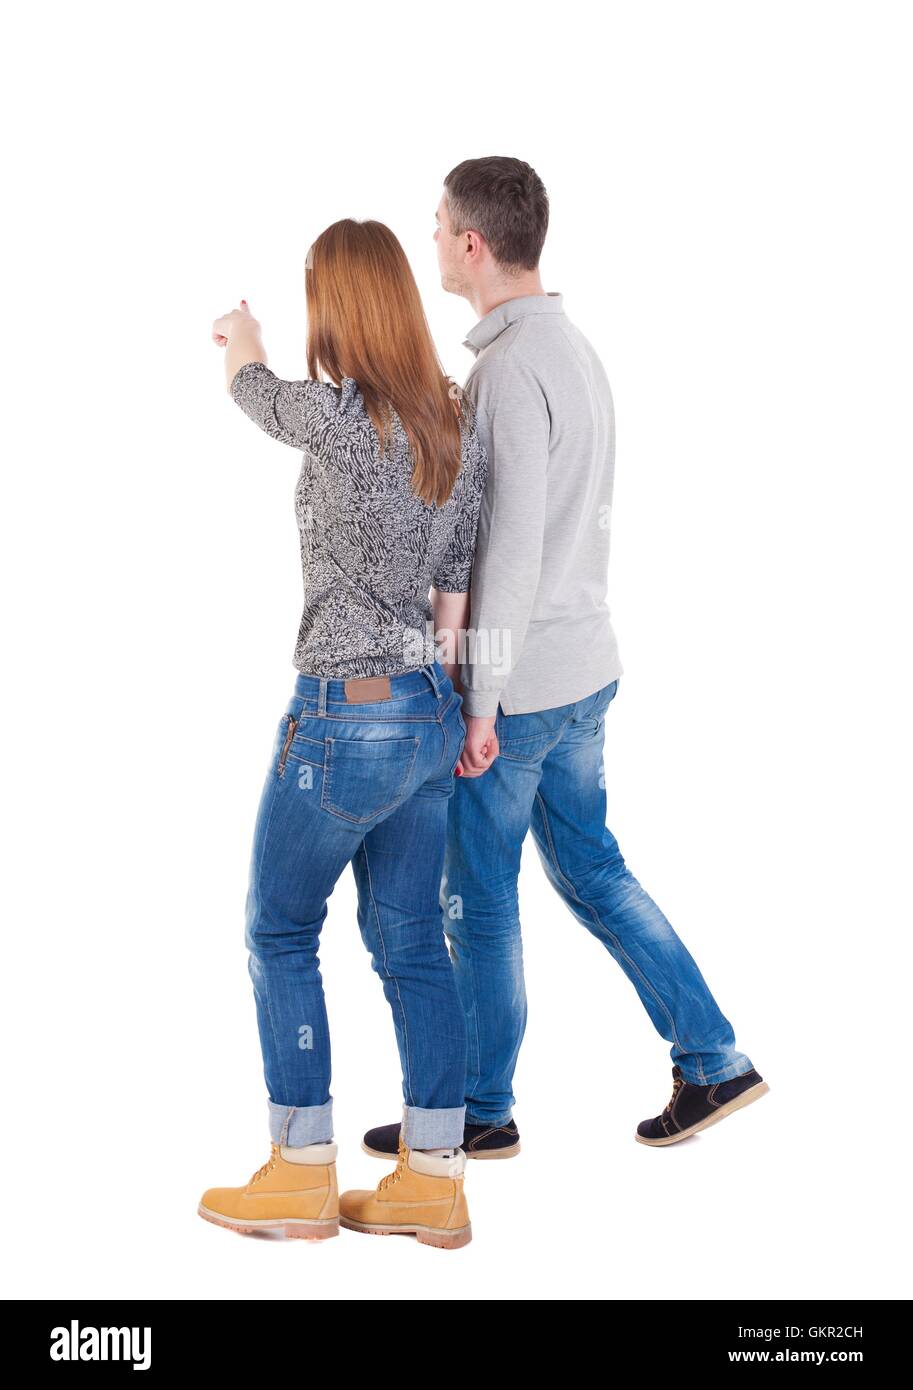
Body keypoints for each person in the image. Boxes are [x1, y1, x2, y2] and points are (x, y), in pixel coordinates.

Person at [363, 157, 768, 1163]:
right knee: (594, 871)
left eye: (438, 225)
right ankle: (714, 1057)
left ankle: (477, 1107)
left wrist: (481, 701)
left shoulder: (508, 370)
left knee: (479, 897)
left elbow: (509, 551)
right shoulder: (572, 348)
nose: (432, 241)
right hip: (585, 667)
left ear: (472, 243)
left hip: (526, 685)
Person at [199, 219, 487, 1248]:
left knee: (279, 929)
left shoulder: (333, 416)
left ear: (338, 307)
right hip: (424, 707)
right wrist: (458, 710)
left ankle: (303, 1169)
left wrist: (239, 329)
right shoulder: (448, 424)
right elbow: (455, 594)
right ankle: (432, 1180)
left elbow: (251, 390)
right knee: (415, 945)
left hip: (343, 715)